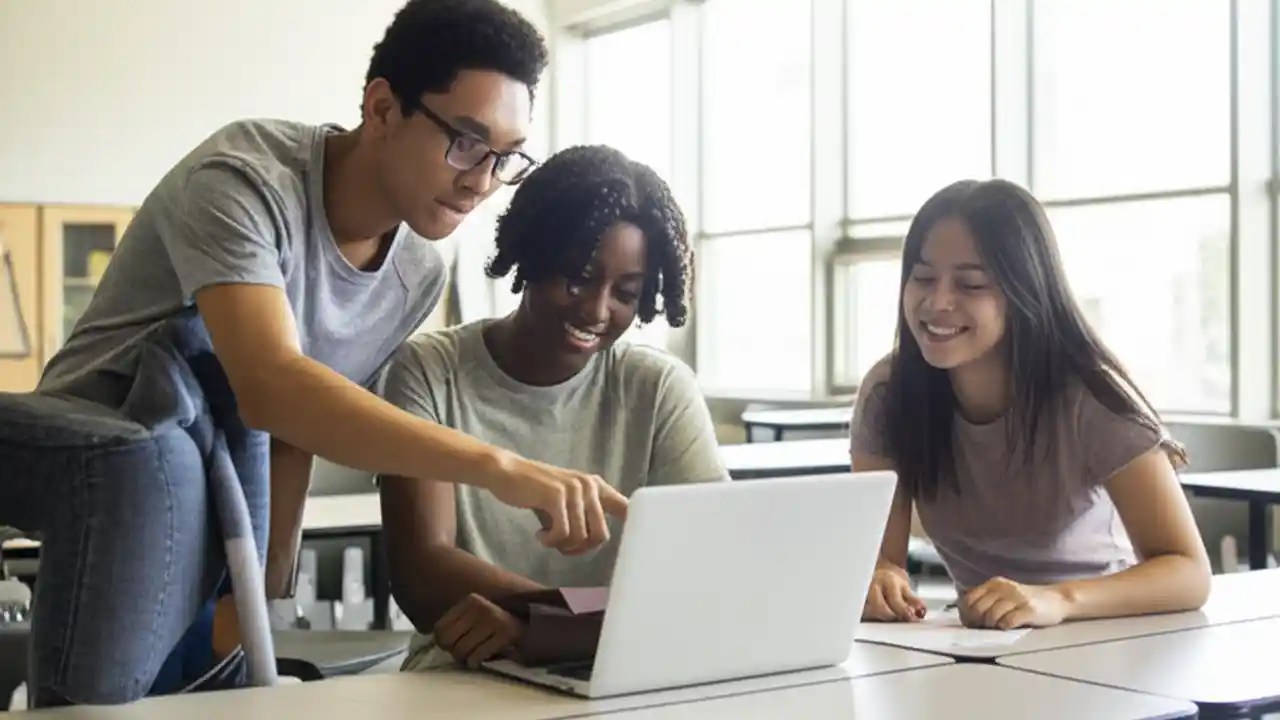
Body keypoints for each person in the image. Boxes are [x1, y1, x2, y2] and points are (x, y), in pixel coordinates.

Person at [17, 0, 626, 705]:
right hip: (94, 459)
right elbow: (273, 385)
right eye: (464, 141)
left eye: (505, 157)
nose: (481, 179)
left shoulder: (416, 270)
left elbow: (300, 427)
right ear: (383, 107)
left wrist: (256, 609)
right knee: (156, 465)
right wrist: (498, 467)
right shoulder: (244, 178)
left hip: (215, 513)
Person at [378, 145, 728, 671]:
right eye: (579, 276)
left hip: (621, 668)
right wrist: (564, 628)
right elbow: (422, 573)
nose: (597, 308)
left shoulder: (658, 389)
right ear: (535, 254)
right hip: (465, 669)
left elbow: (710, 571)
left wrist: (541, 633)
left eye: (626, 293)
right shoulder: (429, 370)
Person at [852, 179, 1211, 630]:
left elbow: (1188, 571)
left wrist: (1058, 600)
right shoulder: (890, 391)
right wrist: (881, 577)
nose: (937, 301)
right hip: (982, 643)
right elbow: (881, 559)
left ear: (1024, 293)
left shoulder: (1091, 397)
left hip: (1103, 633)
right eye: (922, 277)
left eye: (971, 283)